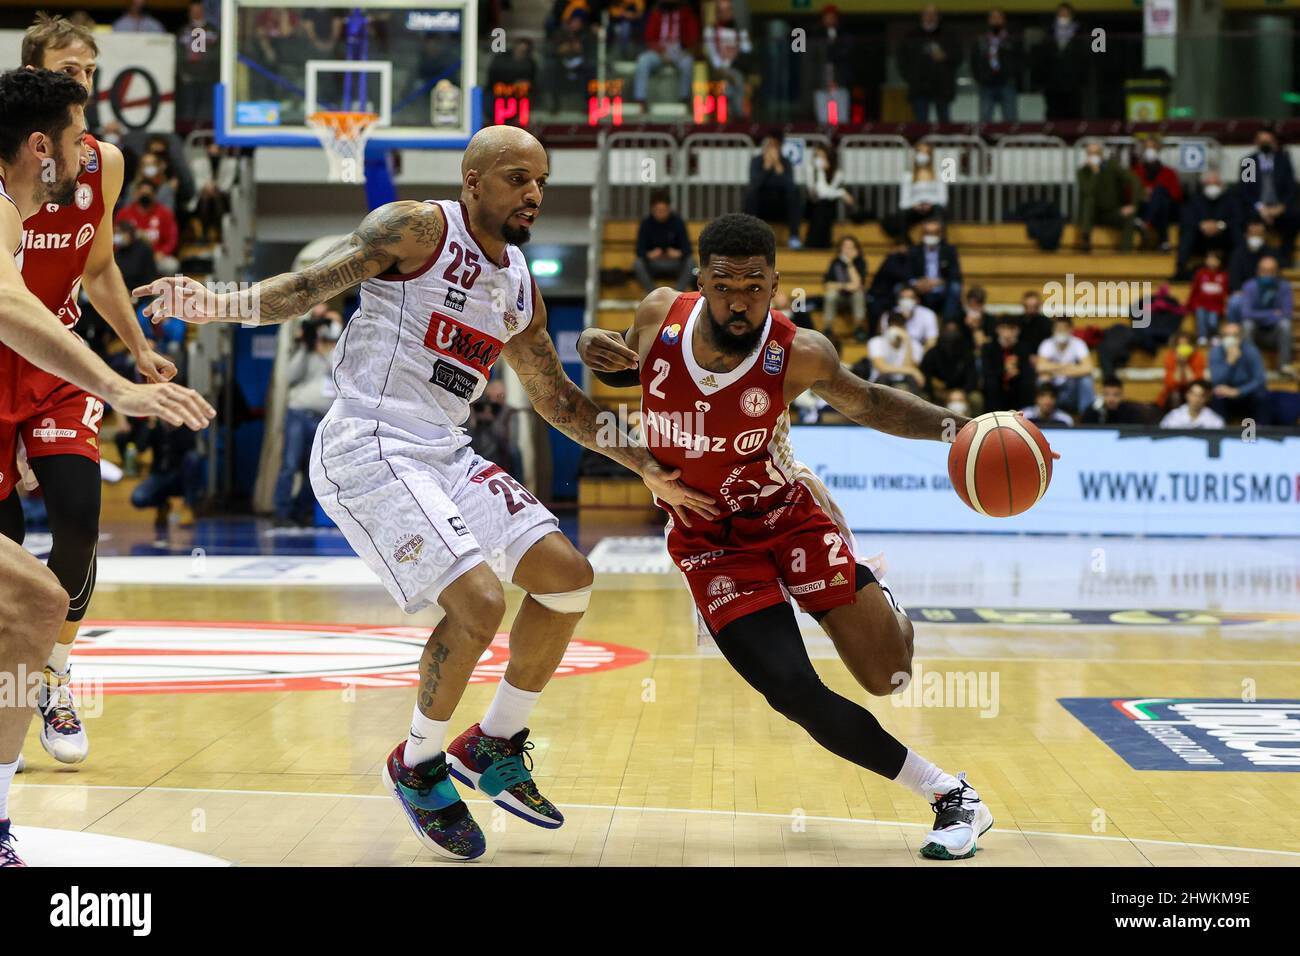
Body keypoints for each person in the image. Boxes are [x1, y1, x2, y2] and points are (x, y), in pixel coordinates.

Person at [138, 125, 708, 862]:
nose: (532, 193)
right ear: (473, 181)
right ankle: (417, 763)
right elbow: (309, 288)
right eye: (515, 178)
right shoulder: (417, 228)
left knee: (568, 581)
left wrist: (645, 464)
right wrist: (213, 303)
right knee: (478, 602)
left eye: (541, 180)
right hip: (368, 440)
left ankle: (492, 744)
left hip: (443, 450)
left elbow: (560, 401)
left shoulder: (520, 288)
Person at [578, 212, 1036, 860]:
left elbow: (872, 401)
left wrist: (959, 428)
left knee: (889, 677)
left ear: (776, 285)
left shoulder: (799, 351)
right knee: (792, 691)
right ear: (701, 280)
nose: (740, 301)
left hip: (787, 517)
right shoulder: (659, 313)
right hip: (710, 544)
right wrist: (592, 343)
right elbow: (628, 364)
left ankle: (879, 596)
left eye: (755, 287)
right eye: (726, 285)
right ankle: (948, 795)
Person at [0, 66, 213, 866]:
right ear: (38, 147)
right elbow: (10, 308)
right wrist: (120, 386)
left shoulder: (35, 212)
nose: (85, 150)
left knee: (34, 597)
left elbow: (52, 296)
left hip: (35, 387)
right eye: (73, 134)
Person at [11, 19, 180, 771]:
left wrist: (137, 347)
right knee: (8, 543)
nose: (83, 81)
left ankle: (53, 676)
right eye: (67, 69)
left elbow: (101, 265)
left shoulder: (102, 163)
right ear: (35, 77)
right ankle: (12, 679)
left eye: (90, 69)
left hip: (60, 365)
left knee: (80, 515)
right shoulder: (10, 168)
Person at [273, 313, 338, 526]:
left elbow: (339, 375)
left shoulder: (339, 352)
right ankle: (281, 513)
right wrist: (305, 347)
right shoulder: (306, 351)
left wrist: (323, 352)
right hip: (299, 414)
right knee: (290, 465)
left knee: (315, 470)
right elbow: (290, 376)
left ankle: (301, 512)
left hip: (323, 420)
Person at [1236, 127, 1299, 267]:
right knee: (1241, 218)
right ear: (1256, 142)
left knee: (1294, 217)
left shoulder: (1283, 160)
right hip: (1256, 208)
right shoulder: (1249, 162)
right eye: (1262, 140)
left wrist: (1280, 207)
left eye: (1268, 140)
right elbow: (1245, 191)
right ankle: (1247, 262)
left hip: (1279, 208)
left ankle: (1284, 260)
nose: (1265, 143)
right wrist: (1262, 209)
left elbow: (1291, 188)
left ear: (1274, 142)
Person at [1226, 255, 1292, 372]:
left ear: (1277, 272)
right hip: (1254, 334)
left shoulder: (1284, 286)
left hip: (1274, 334)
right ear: (1258, 271)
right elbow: (1246, 314)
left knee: (1286, 325)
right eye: (1264, 271)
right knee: (1247, 324)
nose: (1267, 274)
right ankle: (1251, 366)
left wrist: (1258, 315)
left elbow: (1286, 313)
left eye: (1271, 271)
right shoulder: (1249, 286)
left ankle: (1284, 366)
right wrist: (1273, 314)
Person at [632, 0, 700, 107]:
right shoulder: (656, 12)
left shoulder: (686, 12)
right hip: (659, 52)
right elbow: (649, 38)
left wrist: (684, 49)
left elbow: (692, 37)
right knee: (643, 60)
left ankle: (684, 99)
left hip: (679, 52)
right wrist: (661, 51)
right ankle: (640, 100)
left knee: (688, 62)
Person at [898, 5, 959, 124]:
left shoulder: (949, 35)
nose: (930, 17)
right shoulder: (911, 36)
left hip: (942, 87)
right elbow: (902, 60)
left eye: (933, 14)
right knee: (920, 124)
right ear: (922, 16)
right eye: (927, 14)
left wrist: (946, 57)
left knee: (944, 123)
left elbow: (958, 57)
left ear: (938, 17)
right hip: (919, 87)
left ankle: (943, 143)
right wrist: (910, 78)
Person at [1075, 141, 1138, 253]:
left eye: (1096, 153)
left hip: (1112, 212)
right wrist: (1095, 173)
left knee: (1129, 215)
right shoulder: (1082, 172)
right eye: (1090, 153)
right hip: (1093, 216)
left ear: (1102, 154)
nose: (1093, 156)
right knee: (1088, 201)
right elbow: (1087, 191)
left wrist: (1134, 204)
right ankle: (1086, 239)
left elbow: (1133, 180)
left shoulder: (1111, 166)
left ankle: (1125, 252)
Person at [743, 132, 802, 248]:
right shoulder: (757, 161)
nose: (772, 149)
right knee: (750, 193)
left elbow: (790, 186)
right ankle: (750, 236)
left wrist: (779, 168)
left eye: (775, 146)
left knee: (795, 192)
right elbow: (754, 185)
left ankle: (794, 236)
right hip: (761, 207)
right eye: (769, 145)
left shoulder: (785, 162)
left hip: (781, 207)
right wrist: (766, 168)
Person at [1032, 3, 1089, 120]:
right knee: (1054, 117)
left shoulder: (1080, 35)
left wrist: (1082, 82)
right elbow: (1041, 60)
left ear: (1071, 17)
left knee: (1073, 117)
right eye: (1060, 14)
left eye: (1066, 14)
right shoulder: (1048, 35)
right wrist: (1041, 82)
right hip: (1053, 87)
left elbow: (1084, 60)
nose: (1063, 17)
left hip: (1073, 87)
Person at [1175, 171, 1235, 280]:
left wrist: (1219, 226)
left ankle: (1234, 273)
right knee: (1187, 233)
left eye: (1215, 184)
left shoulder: (1230, 200)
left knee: (1237, 233)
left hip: (1222, 236)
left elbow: (1236, 218)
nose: (1212, 187)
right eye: (1209, 184)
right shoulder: (1195, 199)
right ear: (1204, 185)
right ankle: (1180, 271)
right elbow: (1187, 217)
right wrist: (1201, 225)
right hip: (1200, 237)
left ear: (1221, 185)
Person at [1208, 320, 1268, 425]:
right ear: (1222, 338)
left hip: (1246, 392)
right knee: (1216, 394)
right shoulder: (1215, 352)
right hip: (1225, 392)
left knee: (1261, 395)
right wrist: (1229, 362)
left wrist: (1239, 391)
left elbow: (1260, 379)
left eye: (1234, 335)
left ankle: (1258, 431)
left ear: (1240, 338)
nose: (1230, 339)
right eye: (1227, 335)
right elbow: (1216, 380)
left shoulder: (1251, 351)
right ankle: (1220, 434)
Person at [634, 189, 694, 293]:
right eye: (658, 210)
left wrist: (678, 253)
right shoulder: (646, 224)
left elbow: (687, 249)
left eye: (664, 210)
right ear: (652, 209)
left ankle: (677, 295)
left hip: (674, 264)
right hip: (653, 265)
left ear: (669, 208)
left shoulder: (678, 222)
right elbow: (639, 250)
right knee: (638, 264)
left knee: (691, 262)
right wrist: (649, 255)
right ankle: (652, 294)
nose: (661, 213)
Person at [115, 179, 179, 275]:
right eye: (142, 193)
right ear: (136, 194)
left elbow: (172, 239)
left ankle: (162, 289)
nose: (145, 196)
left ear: (154, 195)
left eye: (148, 194)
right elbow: (115, 238)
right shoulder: (124, 213)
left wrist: (162, 253)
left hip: (155, 256)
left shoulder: (164, 213)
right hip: (129, 257)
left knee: (171, 265)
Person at [886, 143, 948, 241]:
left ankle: (943, 244)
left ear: (930, 155)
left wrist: (930, 204)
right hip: (914, 209)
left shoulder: (938, 175)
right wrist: (915, 205)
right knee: (901, 215)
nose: (922, 155)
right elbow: (903, 202)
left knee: (939, 211)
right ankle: (904, 243)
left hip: (932, 209)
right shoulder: (908, 176)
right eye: (919, 152)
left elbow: (943, 199)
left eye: (925, 152)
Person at [1130, 136, 1182, 252]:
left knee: (1160, 196)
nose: (1150, 150)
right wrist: (1143, 193)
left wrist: (1155, 194)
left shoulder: (1169, 172)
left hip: (1167, 210)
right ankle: (1163, 241)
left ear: (1158, 150)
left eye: (1153, 147)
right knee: (1160, 203)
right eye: (1147, 147)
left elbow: (1177, 194)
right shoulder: (1136, 171)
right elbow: (1128, 191)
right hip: (1143, 206)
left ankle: (1145, 224)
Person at [703, 0, 752, 121]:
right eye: (721, 11)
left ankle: (735, 118)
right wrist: (726, 73)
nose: (725, 13)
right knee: (734, 80)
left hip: (737, 70)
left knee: (734, 84)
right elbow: (713, 59)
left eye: (728, 10)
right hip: (718, 74)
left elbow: (747, 51)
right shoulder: (710, 32)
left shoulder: (740, 31)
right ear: (717, 13)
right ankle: (738, 117)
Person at [906, 218, 962, 322]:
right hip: (920, 288)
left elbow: (955, 274)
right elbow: (907, 273)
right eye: (927, 233)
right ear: (922, 234)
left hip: (941, 288)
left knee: (955, 287)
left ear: (940, 234)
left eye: (934, 233)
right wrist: (918, 283)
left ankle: (947, 324)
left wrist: (939, 282)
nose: (930, 236)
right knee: (902, 289)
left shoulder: (949, 250)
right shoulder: (914, 250)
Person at [1035, 316, 1094, 415]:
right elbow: (1040, 367)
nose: (1061, 331)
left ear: (1071, 329)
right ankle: (1043, 414)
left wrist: (1055, 370)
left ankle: (1086, 415)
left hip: (1071, 386)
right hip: (1053, 386)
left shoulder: (1078, 344)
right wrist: (1068, 366)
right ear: (1053, 330)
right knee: (1043, 378)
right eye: (1058, 328)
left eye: (1064, 328)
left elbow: (1088, 368)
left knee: (1086, 381)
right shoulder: (1047, 344)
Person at [971, 8, 1021, 123]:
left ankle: (1010, 141)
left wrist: (1012, 76)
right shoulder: (980, 41)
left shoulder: (1013, 41)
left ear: (1004, 20)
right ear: (988, 21)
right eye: (993, 18)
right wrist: (980, 78)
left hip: (1007, 84)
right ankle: (986, 141)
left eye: (999, 18)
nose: (996, 21)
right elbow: (974, 62)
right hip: (986, 85)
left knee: (1011, 120)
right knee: (985, 121)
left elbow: (1020, 61)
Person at [980, 315, 1036, 412]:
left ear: (1017, 330)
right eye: (1004, 328)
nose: (1007, 333)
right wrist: (1004, 369)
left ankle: (1025, 414)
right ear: (998, 330)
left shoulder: (1024, 348)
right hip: (997, 386)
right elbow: (986, 371)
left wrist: (1017, 371)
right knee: (991, 383)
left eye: (1011, 329)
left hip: (1017, 386)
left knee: (1027, 384)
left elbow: (1028, 371)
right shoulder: (988, 348)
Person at [804, 144, 854, 250]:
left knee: (825, 205)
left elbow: (828, 194)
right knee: (821, 205)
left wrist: (823, 172)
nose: (819, 159)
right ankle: (820, 242)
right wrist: (842, 193)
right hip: (812, 204)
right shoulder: (810, 169)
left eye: (822, 156)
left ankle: (815, 242)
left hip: (827, 205)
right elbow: (818, 192)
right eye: (817, 156)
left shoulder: (838, 173)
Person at [866, 313, 925, 394]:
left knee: (912, 379)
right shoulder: (876, 342)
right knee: (884, 377)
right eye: (892, 326)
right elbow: (882, 368)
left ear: (904, 328)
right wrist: (912, 370)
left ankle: (910, 406)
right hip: (881, 380)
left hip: (904, 380)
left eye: (899, 327)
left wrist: (907, 341)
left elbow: (909, 367)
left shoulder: (916, 345)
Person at [921, 318, 978, 400]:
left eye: (954, 330)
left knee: (976, 398)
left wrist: (963, 392)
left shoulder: (966, 353)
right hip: (937, 391)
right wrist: (935, 388)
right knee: (924, 398)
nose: (951, 334)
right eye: (948, 330)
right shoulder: (932, 353)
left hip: (961, 391)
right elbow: (924, 376)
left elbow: (972, 379)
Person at [821, 236, 867, 336]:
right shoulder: (835, 263)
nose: (847, 250)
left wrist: (849, 264)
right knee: (830, 295)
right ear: (841, 249)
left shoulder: (860, 263)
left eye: (851, 247)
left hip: (853, 296)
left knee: (858, 294)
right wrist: (845, 286)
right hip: (839, 296)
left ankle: (858, 328)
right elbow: (828, 285)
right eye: (845, 247)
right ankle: (828, 328)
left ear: (856, 250)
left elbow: (857, 285)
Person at [1186, 249, 1228, 344]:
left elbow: (1225, 292)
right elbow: (1194, 289)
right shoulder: (1200, 273)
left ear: (1220, 261)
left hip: (1216, 306)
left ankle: (1214, 336)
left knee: (1212, 322)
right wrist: (1189, 304)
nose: (1211, 261)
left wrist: (1225, 306)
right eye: (1209, 258)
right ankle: (1202, 336)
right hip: (1201, 304)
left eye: (1214, 259)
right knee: (1201, 319)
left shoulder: (1223, 275)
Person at [1158, 332, 1206, 411]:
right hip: (1173, 396)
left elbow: (1196, 384)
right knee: (1175, 395)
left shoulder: (1198, 357)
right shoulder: (1170, 356)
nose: (1183, 347)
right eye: (1180, 345)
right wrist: (1179, 365)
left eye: (1186, 344)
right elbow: (1172, 385)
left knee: (1197, 395)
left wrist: (1186, 364)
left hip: (1192, 392)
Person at [1228, 220, 1278, 292]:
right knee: (1235, 300)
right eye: (1253, 234)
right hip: (1242, 293)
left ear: (1264, 235)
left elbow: (1276, 277)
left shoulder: (1272, 253)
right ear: (1246, 235)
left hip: (1266, 291)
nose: (1256, 237)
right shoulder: (1237, 254)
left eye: (1259, 234)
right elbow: (1234, 279)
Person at [885, 286, 939, 351]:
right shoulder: (889, 314)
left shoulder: (928, 314)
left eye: (910, 298)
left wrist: (919, 357)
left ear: (917, 300)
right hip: (896, 352)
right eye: (903, 298)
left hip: (920, 352)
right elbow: (888, 341)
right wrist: (903, 319)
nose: (906, 301)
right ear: (898, 300)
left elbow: (932, 341)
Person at [1079, 376, 1146, 425]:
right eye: (1106, 394)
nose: (1111, 399)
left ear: (1122, 395)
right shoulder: (1092, 411)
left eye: (1116, 395)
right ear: (1102, 394)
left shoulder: (1132, 412)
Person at [1159, 379, 1224, 429]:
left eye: (1201, 396)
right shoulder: (1174, 417)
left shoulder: (1215, 420)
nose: (1196, 399)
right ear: (1187, 395)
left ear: (1207, 398)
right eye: (1193, 394)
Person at [1018, 289, 1053, 354]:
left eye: (1035, 307)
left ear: (1039, 305)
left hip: (1042, 356)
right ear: (1023, 305)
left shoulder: (1047, 323)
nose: (1031, 310)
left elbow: (1050, 344)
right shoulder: (1017, 323)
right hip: (1022, 357)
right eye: (1028, 307)